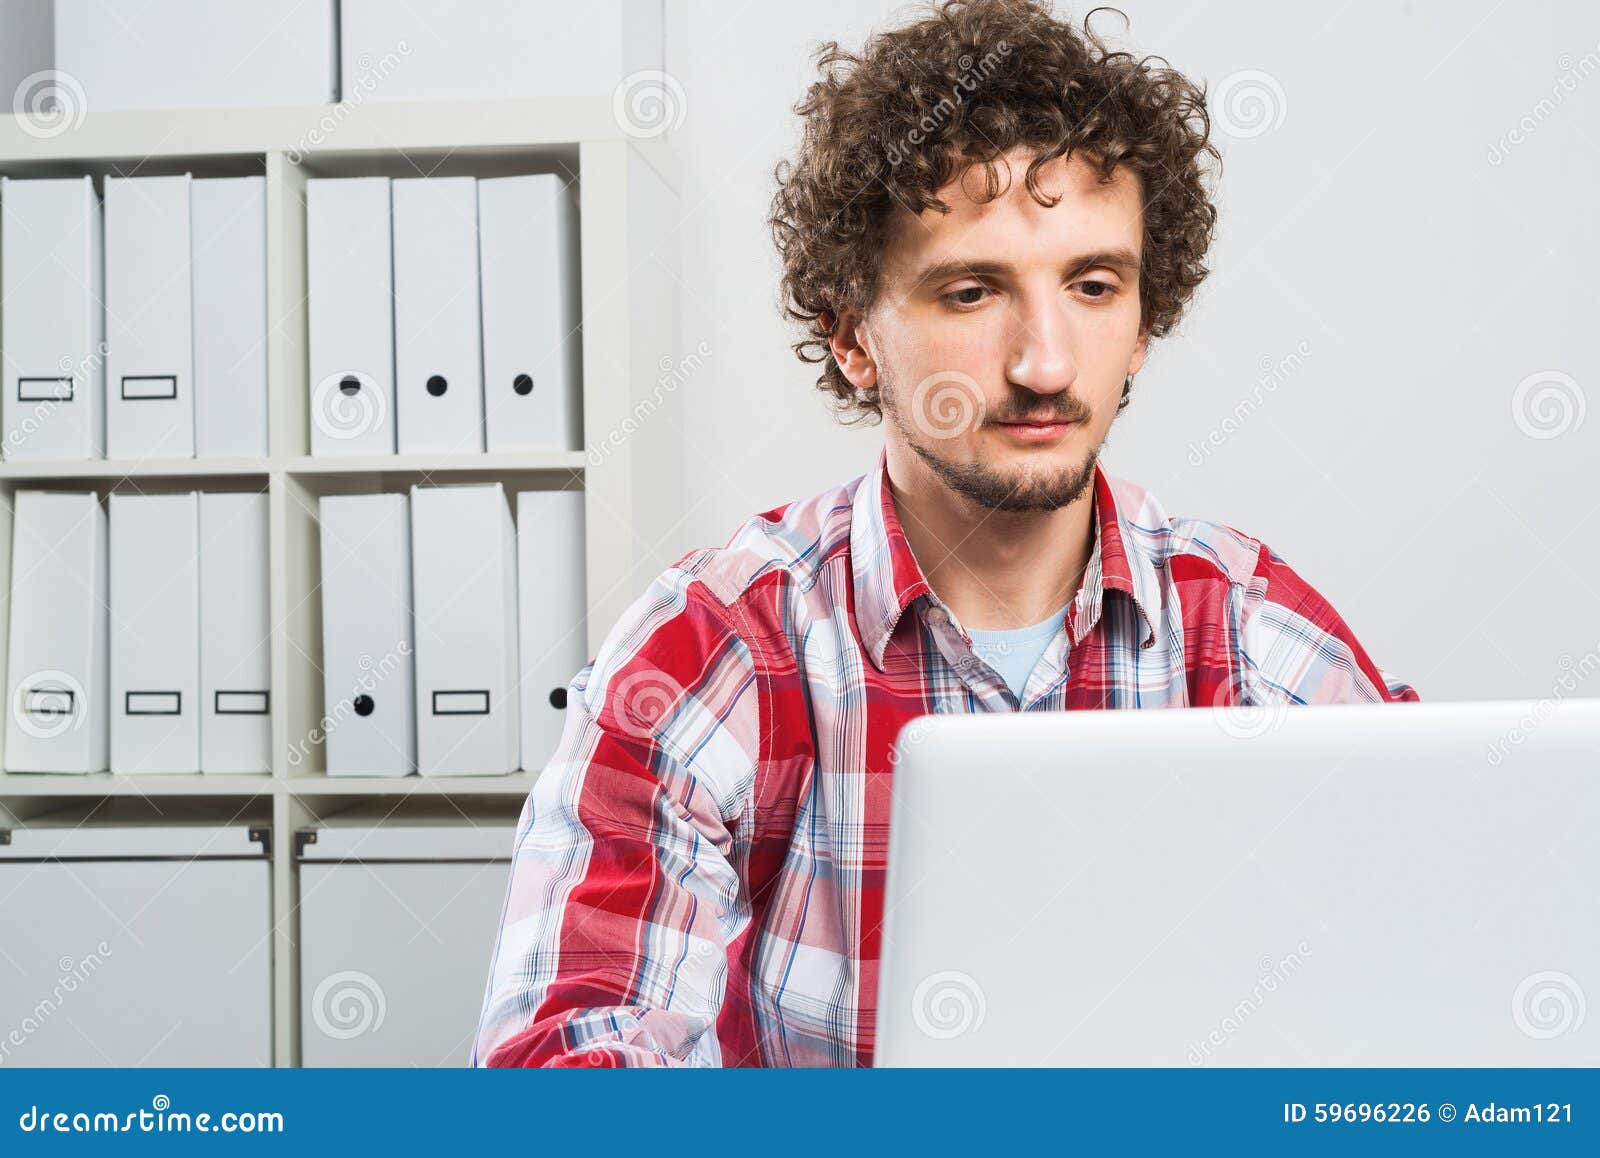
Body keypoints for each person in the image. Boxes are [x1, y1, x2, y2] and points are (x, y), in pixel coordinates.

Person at [473, 0, 1418, 1069]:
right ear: (852, 337)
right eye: (972, 292)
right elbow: (564, 1059)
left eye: (1093, 286)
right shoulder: (720, 644)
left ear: (1141, 324)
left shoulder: (1245, 630)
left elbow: (1439, 961)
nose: (1045, 364)